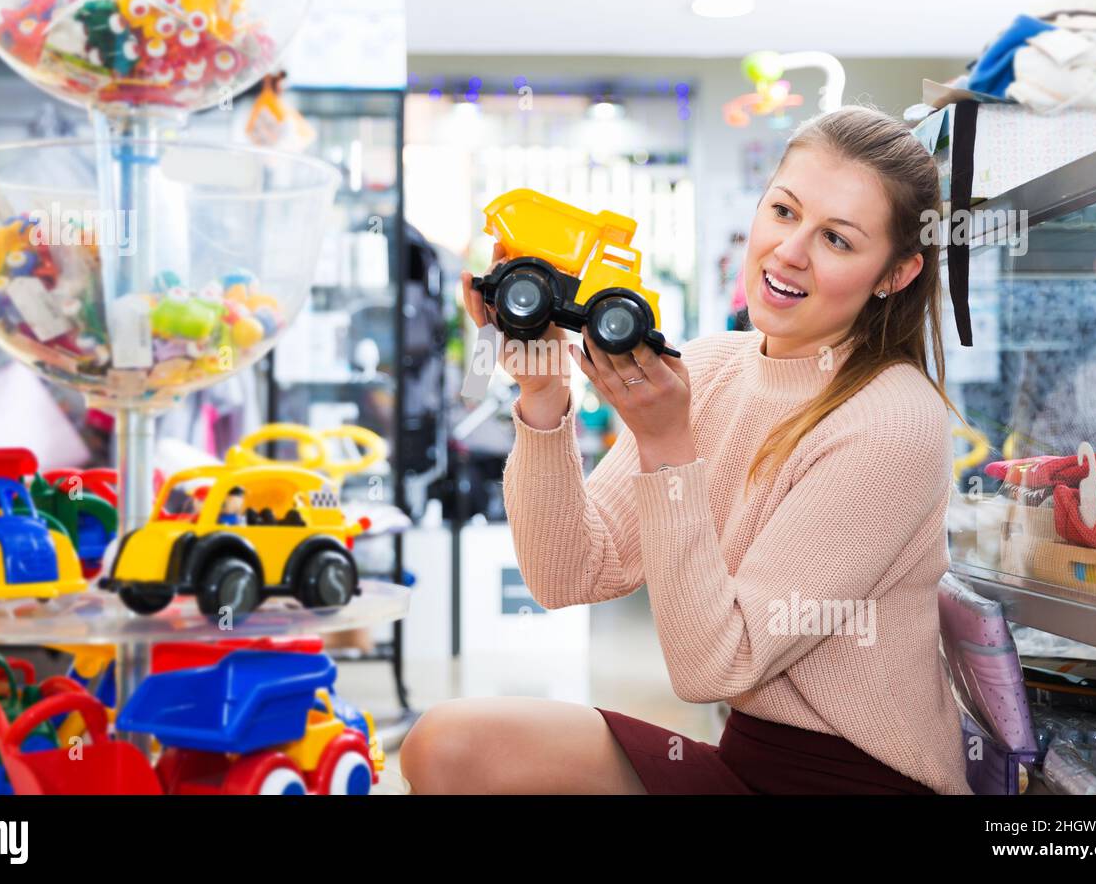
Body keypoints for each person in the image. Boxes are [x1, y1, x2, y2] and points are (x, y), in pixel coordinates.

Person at [400, 106, 972, 795]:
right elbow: (566, 575)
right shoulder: (713, 365)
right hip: (745, 760)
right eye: (784, 212)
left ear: (896, 273)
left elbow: (714, 668)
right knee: (448, 746)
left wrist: (667, 444)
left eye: (838, 241)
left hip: (857, 780)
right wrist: (543, 397)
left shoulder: (892, 419)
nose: (790, 252)